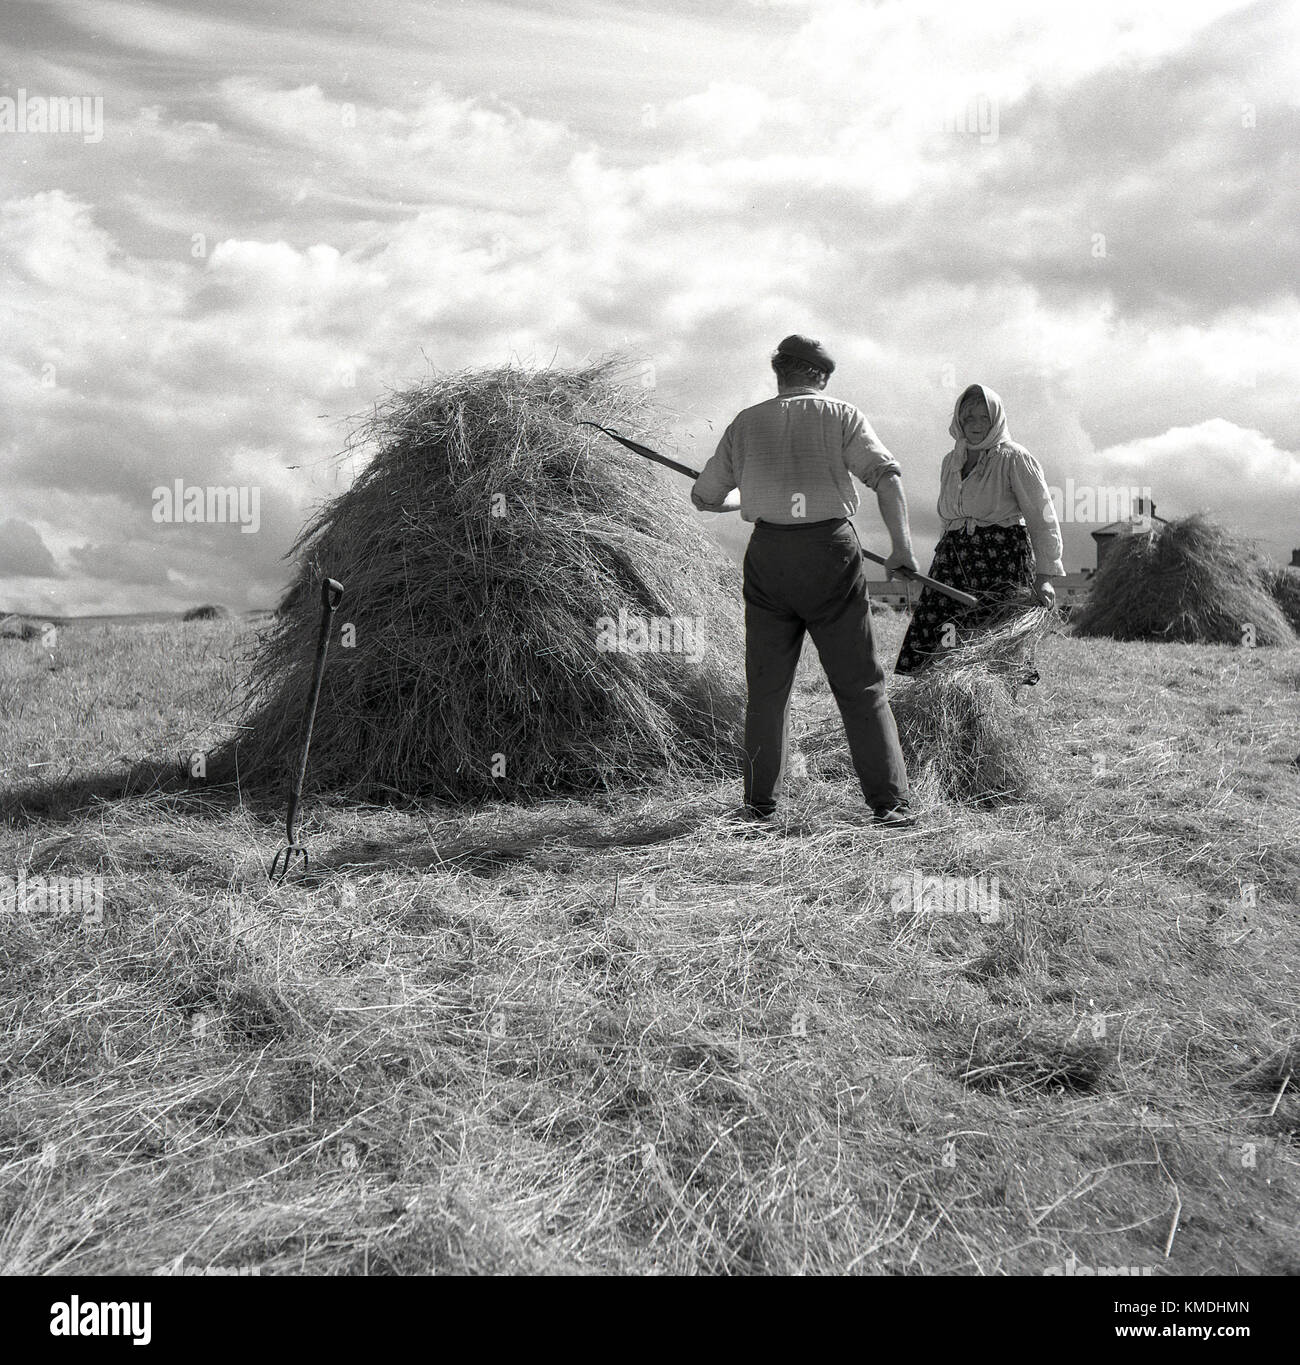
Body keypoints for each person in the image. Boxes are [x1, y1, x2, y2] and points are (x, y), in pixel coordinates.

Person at [691, 334, 919, 828]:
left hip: (769, 555)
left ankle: (759, 806)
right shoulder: (842, 416)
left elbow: (705, 497)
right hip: (829, 553)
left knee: (767, 689)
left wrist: (747, 496)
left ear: (779, 373)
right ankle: (890, 805)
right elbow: (888, 476)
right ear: (821, 376)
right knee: (860, 684)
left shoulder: (746, 423)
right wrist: (901, 549)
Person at [895, 383, 1064, 676]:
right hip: (953, 559)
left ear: (996, 418)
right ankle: (937, 699)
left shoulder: (1014, 457)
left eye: (984, 417)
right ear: (958, 420)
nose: (975, 425)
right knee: (943, 628)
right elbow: (948, 519)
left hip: (1000, 560)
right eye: (968, 417)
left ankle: (992, 706)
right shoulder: (951, 460)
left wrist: (1045, 577)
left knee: (993, 635)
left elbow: (1042, 517)